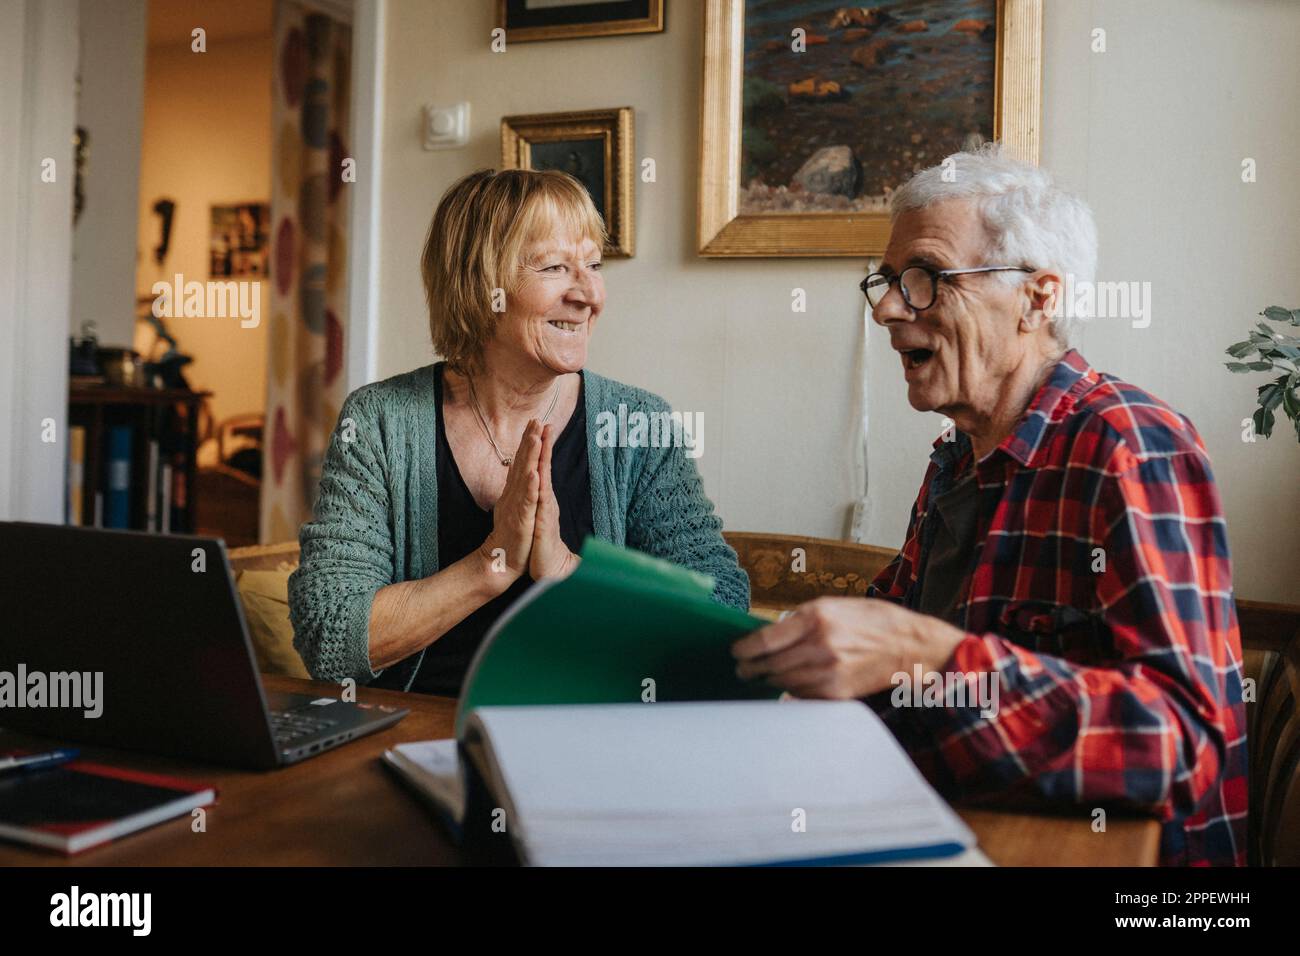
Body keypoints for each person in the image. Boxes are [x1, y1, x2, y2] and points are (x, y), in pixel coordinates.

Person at [732, 143, 1247, 866]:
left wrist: (933, 657)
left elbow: (1183, 746)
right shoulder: (956, 455)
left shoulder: (1131, 445)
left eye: (925, 278)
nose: (885, 308)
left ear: (1038, 298)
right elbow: (891, 659)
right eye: (886, 280)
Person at [290, 168, 747, 696]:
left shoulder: (637, 426)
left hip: (593, 731)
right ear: (481, 287)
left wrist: (566, 573)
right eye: (555, 266)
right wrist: (492, 561)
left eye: (594, 265)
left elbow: (722, 611)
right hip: (418, 734)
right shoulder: (379, 421)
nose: (589, 294)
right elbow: (331, 639)